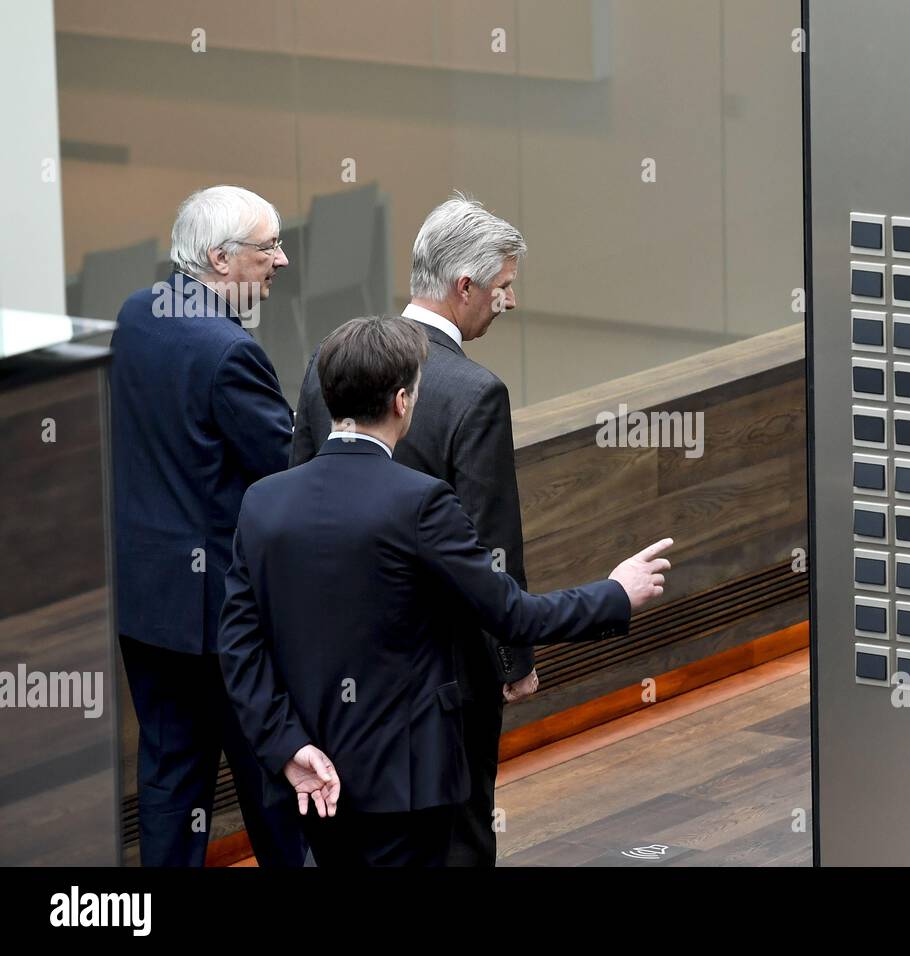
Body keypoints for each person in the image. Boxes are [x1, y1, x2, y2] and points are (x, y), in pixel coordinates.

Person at [219, 315, 672, 866]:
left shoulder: (262, 502)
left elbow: (239, 645)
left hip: (307, 775)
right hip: (405, 781)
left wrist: (286, 747)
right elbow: (509, 613)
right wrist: (616, 593)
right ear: (403, 401)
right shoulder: (420, 502)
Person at [291, 192, 535, 865]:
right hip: (441, 682)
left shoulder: (329, 360)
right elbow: (490, 545)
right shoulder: (474, 392)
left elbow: (300, 491)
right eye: (503, 288)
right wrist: (515, 660)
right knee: (456, 838)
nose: (506, 303)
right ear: (464, 287)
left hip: (333, 666)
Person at [110, 185, 308, 866]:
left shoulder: (137, 315)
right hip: (223, 618)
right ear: (221, 260)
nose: (280, 260)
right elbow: (284, 471)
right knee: (271, 774)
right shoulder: (230, 352)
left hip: (145, 604)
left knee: (170, 775)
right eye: (268, 247)